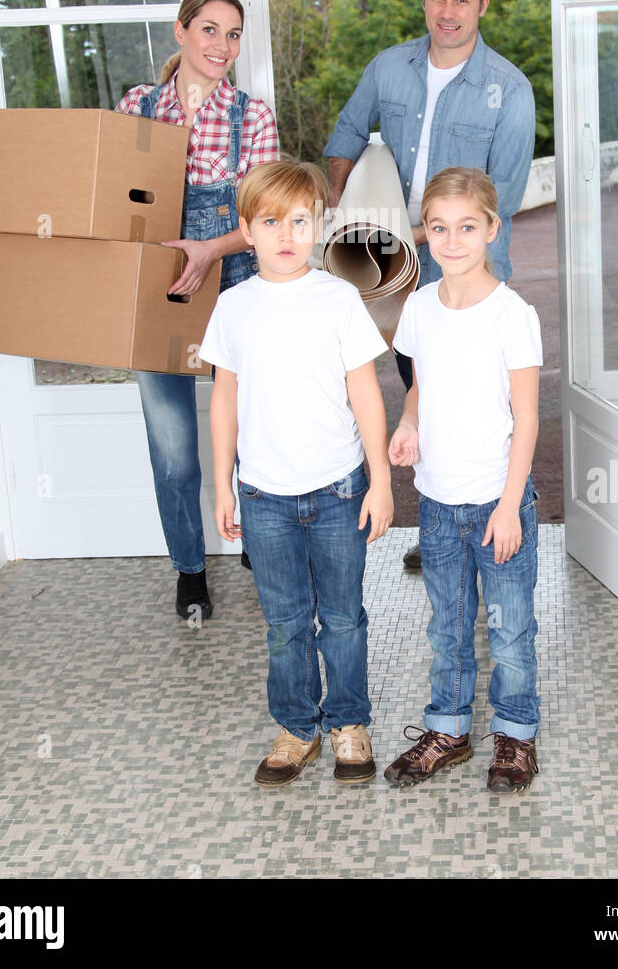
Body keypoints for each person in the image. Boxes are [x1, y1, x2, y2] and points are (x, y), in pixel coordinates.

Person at [323, 0, 535, 571]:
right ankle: (439, 526)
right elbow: (344, 135)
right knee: (416, 394)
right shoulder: (389, 68)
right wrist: (343, 214)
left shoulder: (509, 89)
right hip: (385, 266)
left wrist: (423, 234)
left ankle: (499, 515)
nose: (448, 11)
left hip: (461, 266)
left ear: (483, 5)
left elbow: (507, 194)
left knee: (480, 406)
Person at [200, 159, 394, 786]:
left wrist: (382, 481)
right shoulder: (232, 307)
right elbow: (224, 400)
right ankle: (295, 727)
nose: (287, 234)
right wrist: (222, 484)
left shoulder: (338, 299)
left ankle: (348, 723)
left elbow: (366, 393)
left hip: (339, 488)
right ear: (246, 230)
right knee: (285, 623)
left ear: (319, 226)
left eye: (301, 221)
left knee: (342, 616)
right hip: (264, 497)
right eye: (271, 222)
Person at [116, 0, 278, 622]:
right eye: (210, 30)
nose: (222, 45)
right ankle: (189, 568)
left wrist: (209, 248)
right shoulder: (137, 106)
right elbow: (116, 198)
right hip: (155, 284)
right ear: (181, 31)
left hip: (233, 275)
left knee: (247, 429)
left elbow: (264, 217)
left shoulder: (251, 116)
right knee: (175, 443)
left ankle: (255, 544)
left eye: (233, 34)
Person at [384, 166, 542, 793]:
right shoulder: (418, 308)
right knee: (447, 626)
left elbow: (526, 419)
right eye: (440, 228)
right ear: (425, 232)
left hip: (497, 504)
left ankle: (516, 735)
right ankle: (447, 728)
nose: (452, 242)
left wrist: (509, 506)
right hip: (438, 503)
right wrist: (408, 424)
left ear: (491, 230)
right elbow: (421, 384)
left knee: (508, 628)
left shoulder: (512, 315)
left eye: (467, 228)